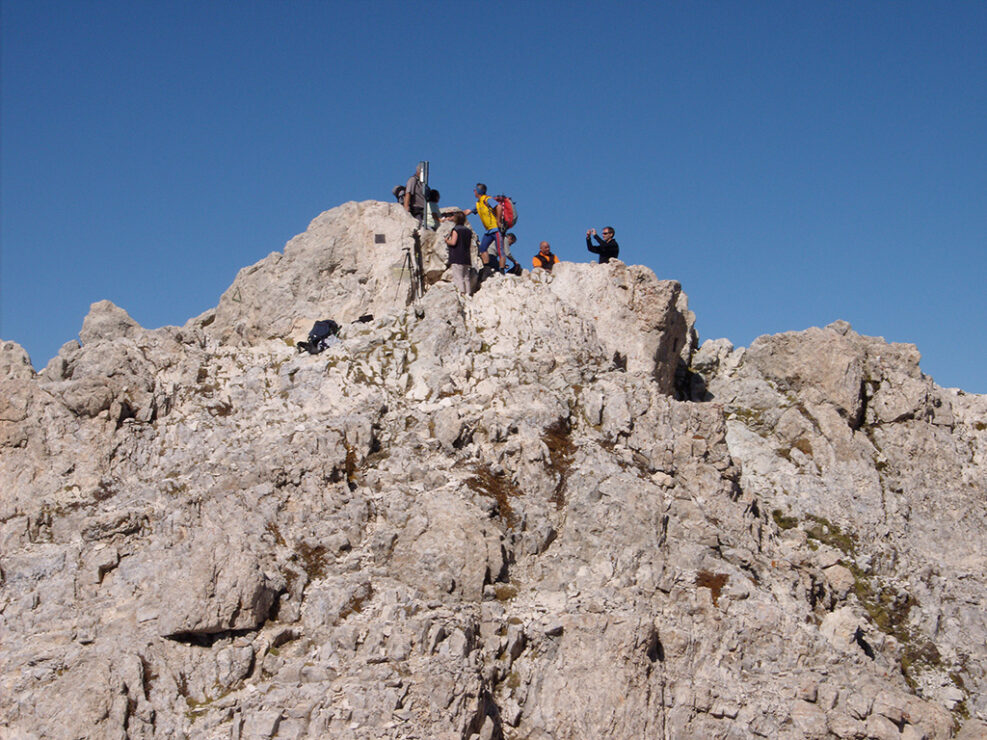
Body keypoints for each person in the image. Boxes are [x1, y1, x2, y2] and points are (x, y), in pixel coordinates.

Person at [464, 183, 506, 273]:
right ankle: (486, 267)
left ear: (478, 191)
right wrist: (454, 215)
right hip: (488, 231)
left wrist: (498, 221)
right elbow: (467, 211)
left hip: (496, 229)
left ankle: (502, 270)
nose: (474, 192)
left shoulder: (487, 199)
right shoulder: (478, 203)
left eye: (475, 190)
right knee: (483, 248)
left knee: (500, 250)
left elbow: (498, 207)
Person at [444, 211, 474, 295]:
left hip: (457, 255)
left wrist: (447, 241)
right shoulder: (468, 231)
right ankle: (468, 293)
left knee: (458, 275)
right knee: (466, 276)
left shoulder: (456, 229)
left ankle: (461, 292)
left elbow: (453, 242)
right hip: (466, 256)